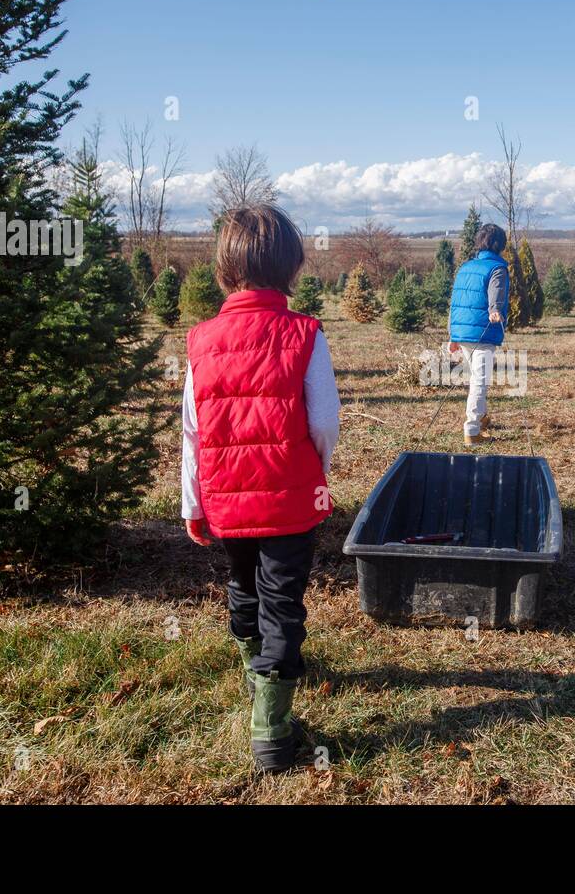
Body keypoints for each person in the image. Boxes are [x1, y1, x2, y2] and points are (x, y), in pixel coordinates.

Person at [180, 204, 340, 774]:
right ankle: (271, 731)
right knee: (283, 601)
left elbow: (193, 434)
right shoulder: (304, 333)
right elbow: (324, 422)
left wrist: (192, 504)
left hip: (227, 499)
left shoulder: (200, 341)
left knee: (241, 584)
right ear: (291, 268)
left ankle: (256, 679)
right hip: (290, 500)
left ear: (225, 268)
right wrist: (315, 469)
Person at [447, 224, 510, 445]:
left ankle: (482, 419)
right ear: (500, 244)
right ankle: (472, 431)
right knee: (479, 381)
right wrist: (495, 311)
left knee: (477, 377)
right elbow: (497, 293)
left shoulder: (466, 267)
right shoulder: (497, 268)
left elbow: (456, 302)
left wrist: (453, 334)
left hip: (463, 332)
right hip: (483, 332)